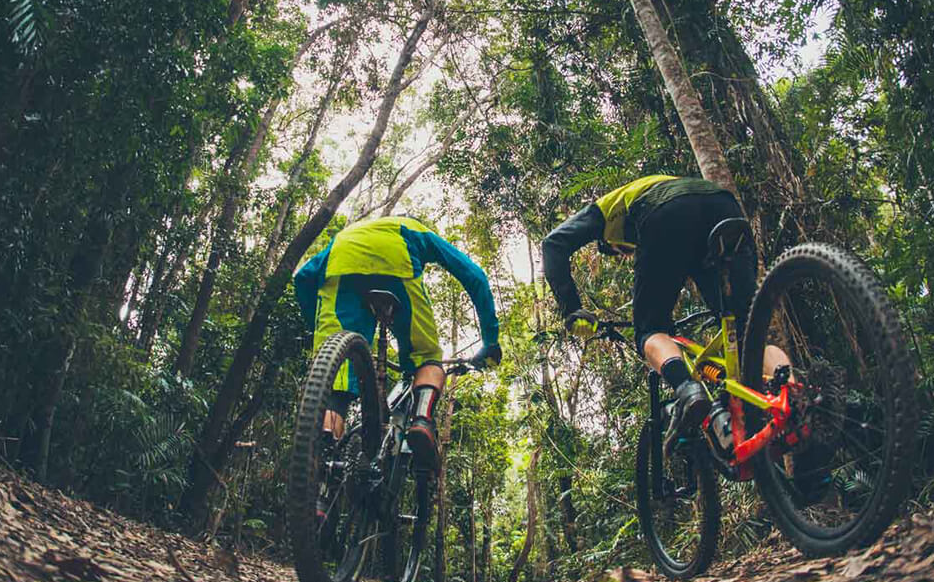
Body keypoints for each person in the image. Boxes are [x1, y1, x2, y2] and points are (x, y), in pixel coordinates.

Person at [542, 174, 770, 451]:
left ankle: (687, 389)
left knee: (650, 330)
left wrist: (572, 309)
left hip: (668, 211)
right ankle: (794, 396)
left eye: (624, 250)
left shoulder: (605, 209)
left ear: (609, 241)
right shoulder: (660, 180)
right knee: (749, 333)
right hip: (724, 205)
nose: (629, 253)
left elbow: (553, 243)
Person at [294, 215, 501, 469]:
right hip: (397, 263)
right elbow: (474, 275)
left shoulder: (346, 235)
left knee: (337, 383)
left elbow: (302, 278)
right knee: (426, 357)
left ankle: (322, 477)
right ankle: (422, 420)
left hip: (341, 265)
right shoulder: (415, 229)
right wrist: (490, 340)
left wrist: (324, 342)